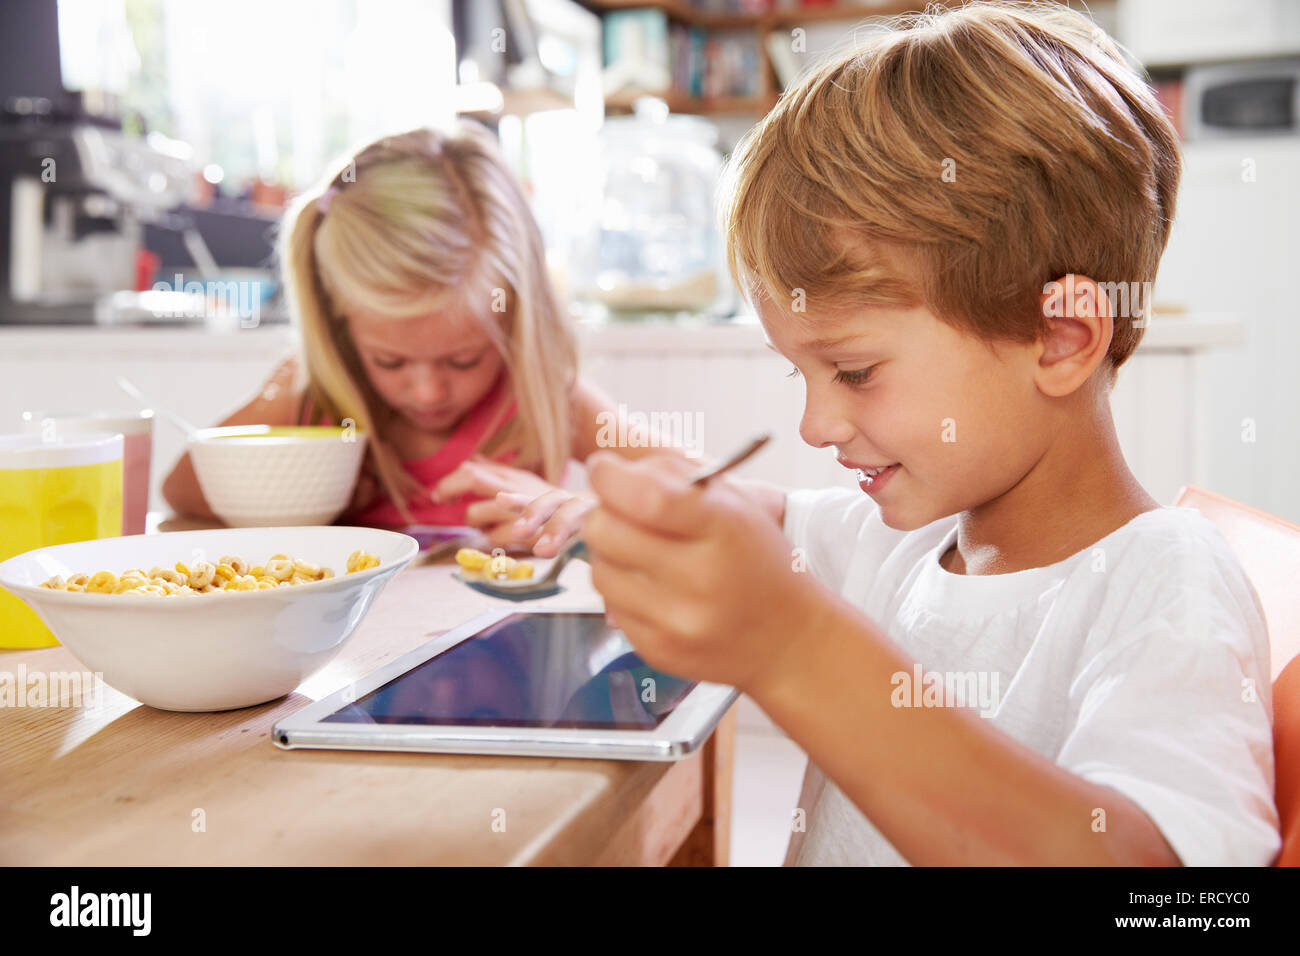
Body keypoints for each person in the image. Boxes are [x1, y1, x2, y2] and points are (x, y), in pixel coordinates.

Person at [573, 2, 1281, 865]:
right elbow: (732, 516)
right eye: (800, 373)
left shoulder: (1163, 584)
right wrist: (579, 439)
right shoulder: (908, 544)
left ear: (1058, 339)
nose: (817, 423)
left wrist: (796, 648)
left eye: (855, 372)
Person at [162, 123, 669, 550]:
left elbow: (709, 494)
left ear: (516, 318)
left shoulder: (545, 397)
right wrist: (296, 494)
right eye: (390, 361)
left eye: (464, 360)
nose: (427, 391)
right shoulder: (308, 396)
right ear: (338, 326)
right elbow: (183, 488)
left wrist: (587, 517)